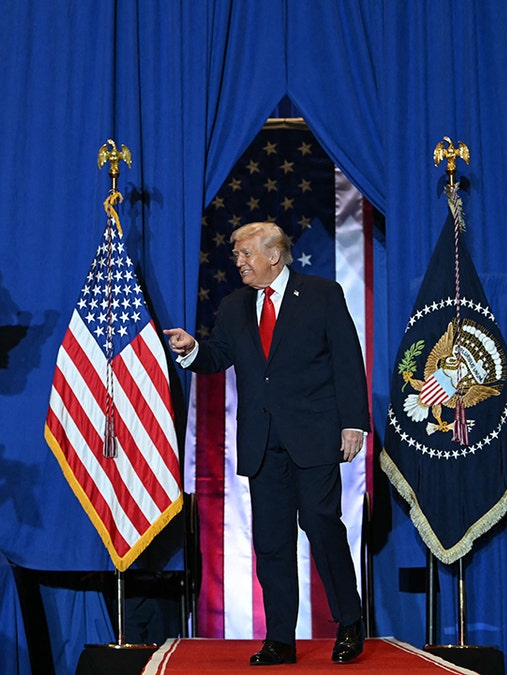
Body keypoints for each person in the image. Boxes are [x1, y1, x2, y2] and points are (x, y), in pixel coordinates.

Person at [163, 221, 369, 666]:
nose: (238, 262)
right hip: (262, 441)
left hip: (314, 436)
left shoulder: (322, 294)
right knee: (272, 542)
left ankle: (350, 622)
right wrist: (191, 349)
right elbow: (218, 356)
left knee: (321, 524)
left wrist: (354, 423)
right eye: (236, 255)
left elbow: (348, 360)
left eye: (244, 254)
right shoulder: (235, 305)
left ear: (273, 255)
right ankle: (280, 638)